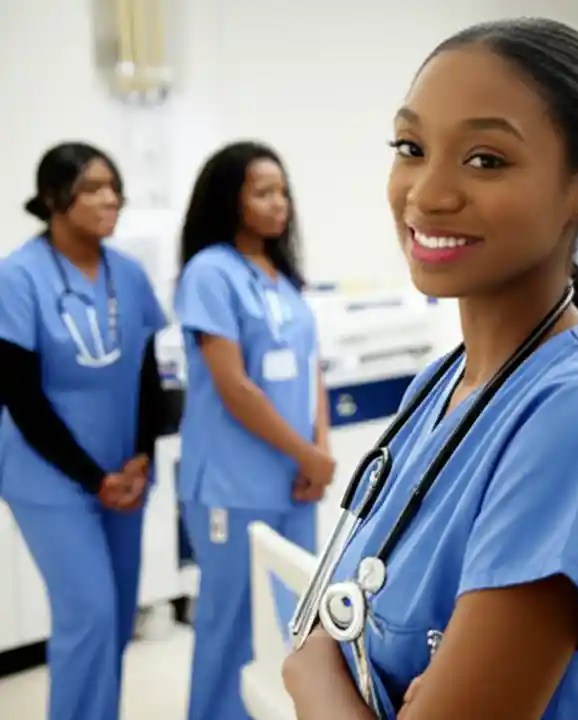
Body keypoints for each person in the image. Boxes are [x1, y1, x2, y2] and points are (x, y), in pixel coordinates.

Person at [281, 17, 578, 720]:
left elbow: (319, 649)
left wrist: (311, 674)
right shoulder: (438, 386)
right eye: (411, 147)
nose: (427, 193)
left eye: (485, 159)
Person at [0, 142, 167, 720]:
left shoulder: (128, 273)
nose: (110, 198)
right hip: (49, 477)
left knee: (117, 617)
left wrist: (142, 456)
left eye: (114, 186)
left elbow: (147, 372)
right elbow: (20, 396)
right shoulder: (18, 276)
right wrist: (94, 478)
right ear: (53, 199)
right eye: (93, 187)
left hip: (125, 471)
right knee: (89, 614)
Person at [174, 141, 334, 720]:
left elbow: (311, 364)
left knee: (292, 619)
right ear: (229, 199)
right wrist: (305, 453)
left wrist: (320, 451)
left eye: (283, 191)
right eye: (263, 192)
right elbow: (235, 388)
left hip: (292, 480)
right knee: (231, 626)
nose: (279, 203)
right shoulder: (209, 272)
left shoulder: (282, 278)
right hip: (232, 486)